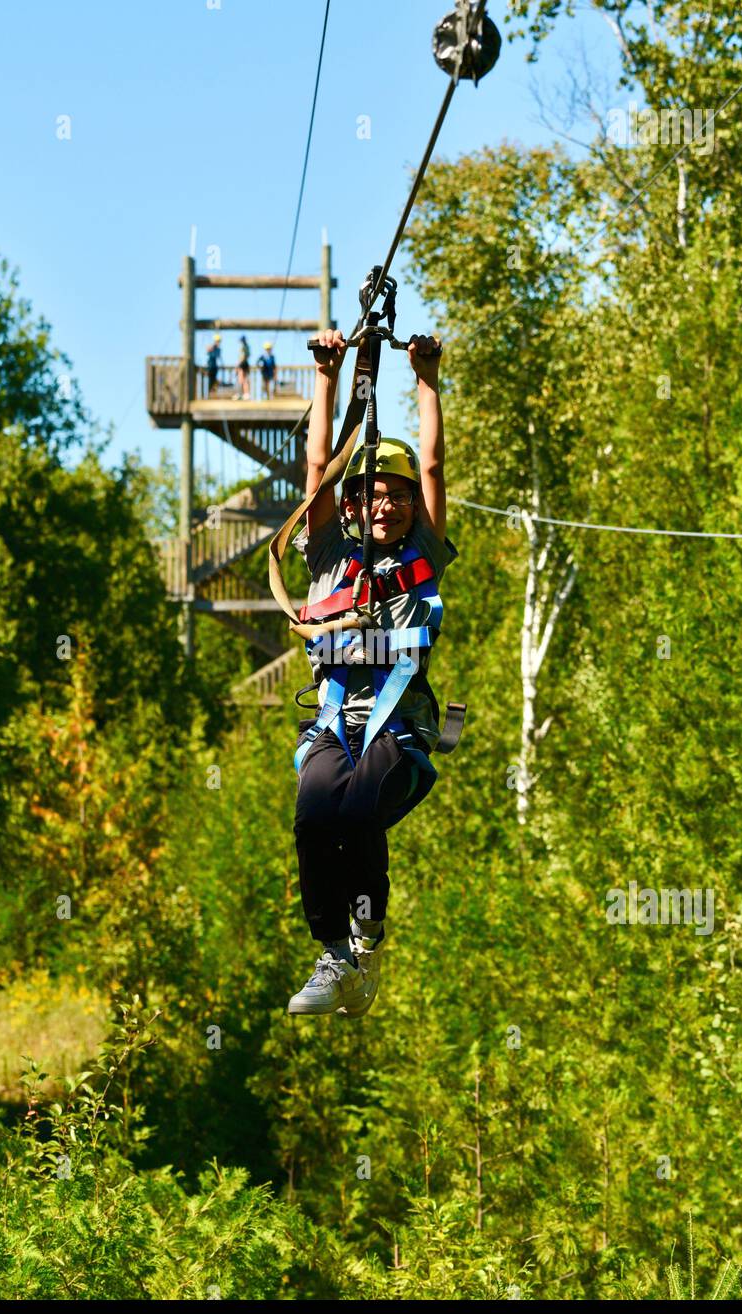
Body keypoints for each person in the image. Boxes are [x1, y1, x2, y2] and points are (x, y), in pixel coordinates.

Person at [288, 327, 456, 1019]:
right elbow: (319, 465)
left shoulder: (425, 553)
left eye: (396, 495)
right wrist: (326, 378)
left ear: (411, 506)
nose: (382, 506)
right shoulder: (328, 554)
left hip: (402, 729)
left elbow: (437, 467)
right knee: (311, 813)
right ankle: (333, 954)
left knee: (359, 809)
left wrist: (425, 379)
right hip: (334, 719)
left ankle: (368, 936)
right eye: (369, 496)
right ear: (350, 505)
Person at [234, 335, 251, 399]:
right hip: (245, 364)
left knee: (241, 380)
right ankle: (245, 394)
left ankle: (240, 394)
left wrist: (238, 365)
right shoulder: (247, 347)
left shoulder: (243, 347)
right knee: (244, 380)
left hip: (242, 364)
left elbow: (242, 357)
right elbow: (248, 355)